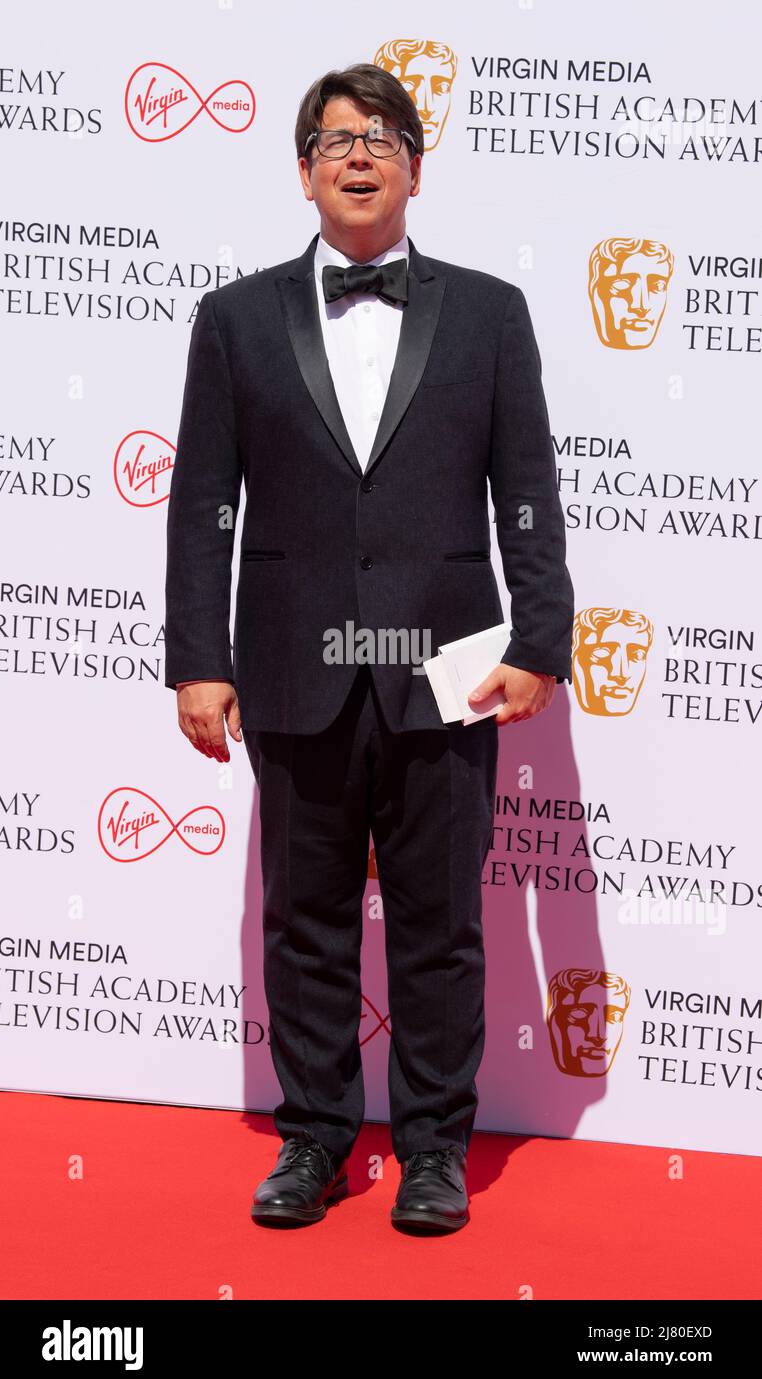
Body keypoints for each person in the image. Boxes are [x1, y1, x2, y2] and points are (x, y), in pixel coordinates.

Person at [164, 62, 574, 1235]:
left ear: (413, 167)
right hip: (293, 666)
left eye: (381, 136)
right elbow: (203, 503)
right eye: (335, 138)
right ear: (302, 171)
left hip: (448, 669)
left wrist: (540, 635)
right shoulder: (234, 319)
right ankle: (313, 1139)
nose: (358, 155)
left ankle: (436, 1146)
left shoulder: (490, 312)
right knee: (306, 919)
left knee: (444, 924)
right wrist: (200, 654)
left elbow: (527, 493)